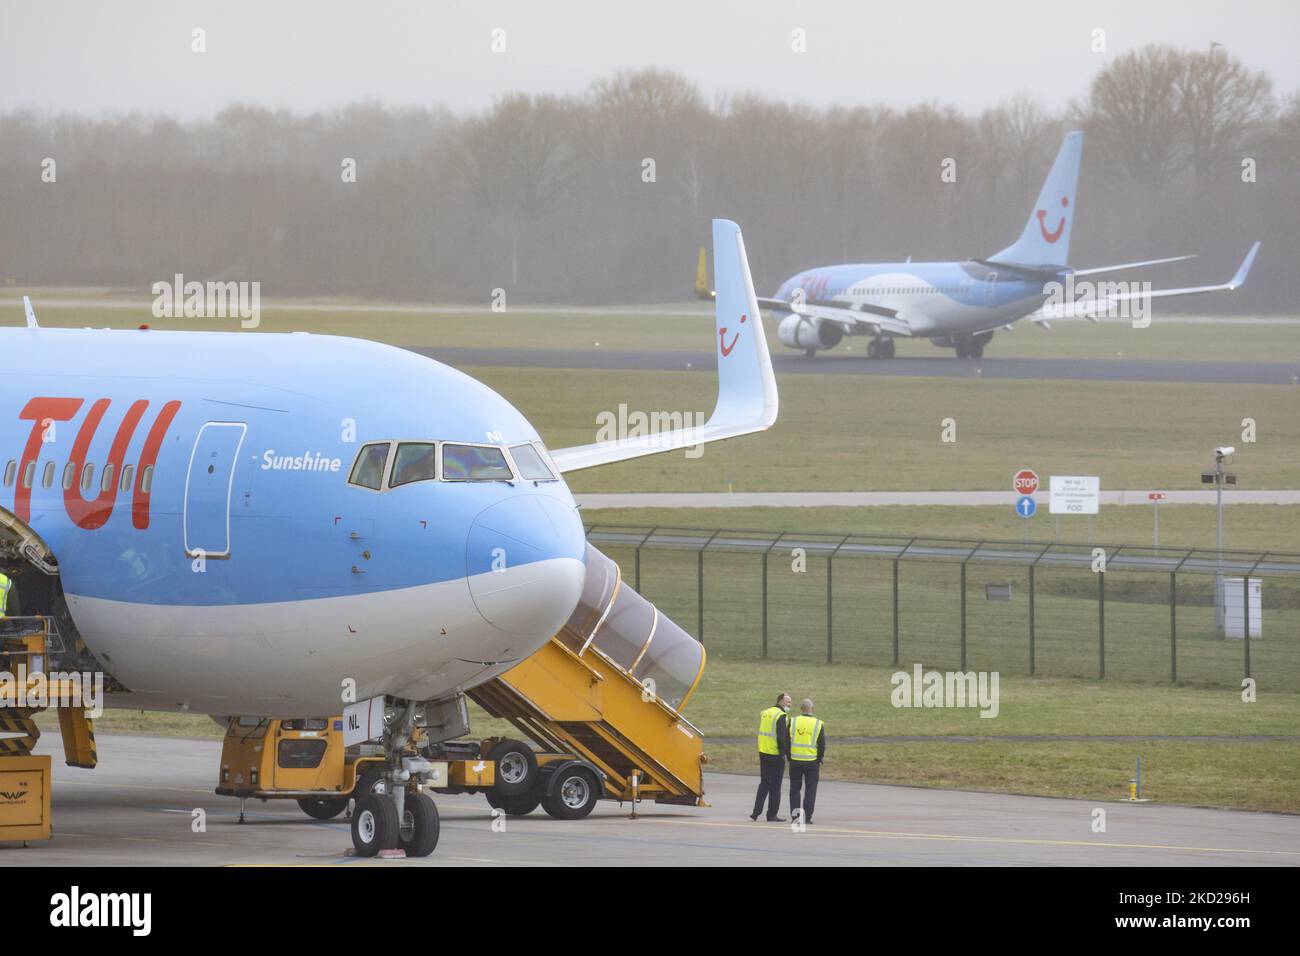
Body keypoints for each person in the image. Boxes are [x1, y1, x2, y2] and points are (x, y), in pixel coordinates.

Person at [750, 692, 791, 821]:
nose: (790, 705)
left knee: (764, 783)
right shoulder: (781, 715)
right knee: (775, 786)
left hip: (763, 752)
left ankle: (756, 812)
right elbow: (781, 737)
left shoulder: (766, 712)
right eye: (788, 702)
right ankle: (772, 814)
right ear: (781, 701)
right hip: (775, 755)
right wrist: (783, 753)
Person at [788, 698, 825, 825]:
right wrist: (819, 758)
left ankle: (795, 816)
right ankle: (807, 817)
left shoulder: (793, 721)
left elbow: (787, 741)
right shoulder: (818, 723)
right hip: (811, 761)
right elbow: (822, 745)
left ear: (801, 709)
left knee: (794, 789)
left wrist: (789, 756)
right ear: (812, 709)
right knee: (810, 790)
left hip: (795, 760)